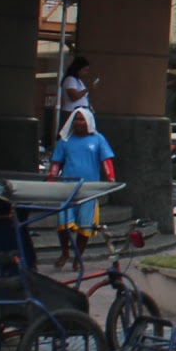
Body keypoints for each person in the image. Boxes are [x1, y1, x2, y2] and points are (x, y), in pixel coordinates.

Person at [47, 107, 115, 270]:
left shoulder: (98, 139)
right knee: (63, 224)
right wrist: (51, 179)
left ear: (89, 122)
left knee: (85, 227)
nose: (78, 122)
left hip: (89, 190)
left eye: (82, 119)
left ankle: (78, 257)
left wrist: (111, 178)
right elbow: (57, 163)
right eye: (76, 119)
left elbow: (106, 161)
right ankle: (65, 253)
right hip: (67, 188)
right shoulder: (65, 141)